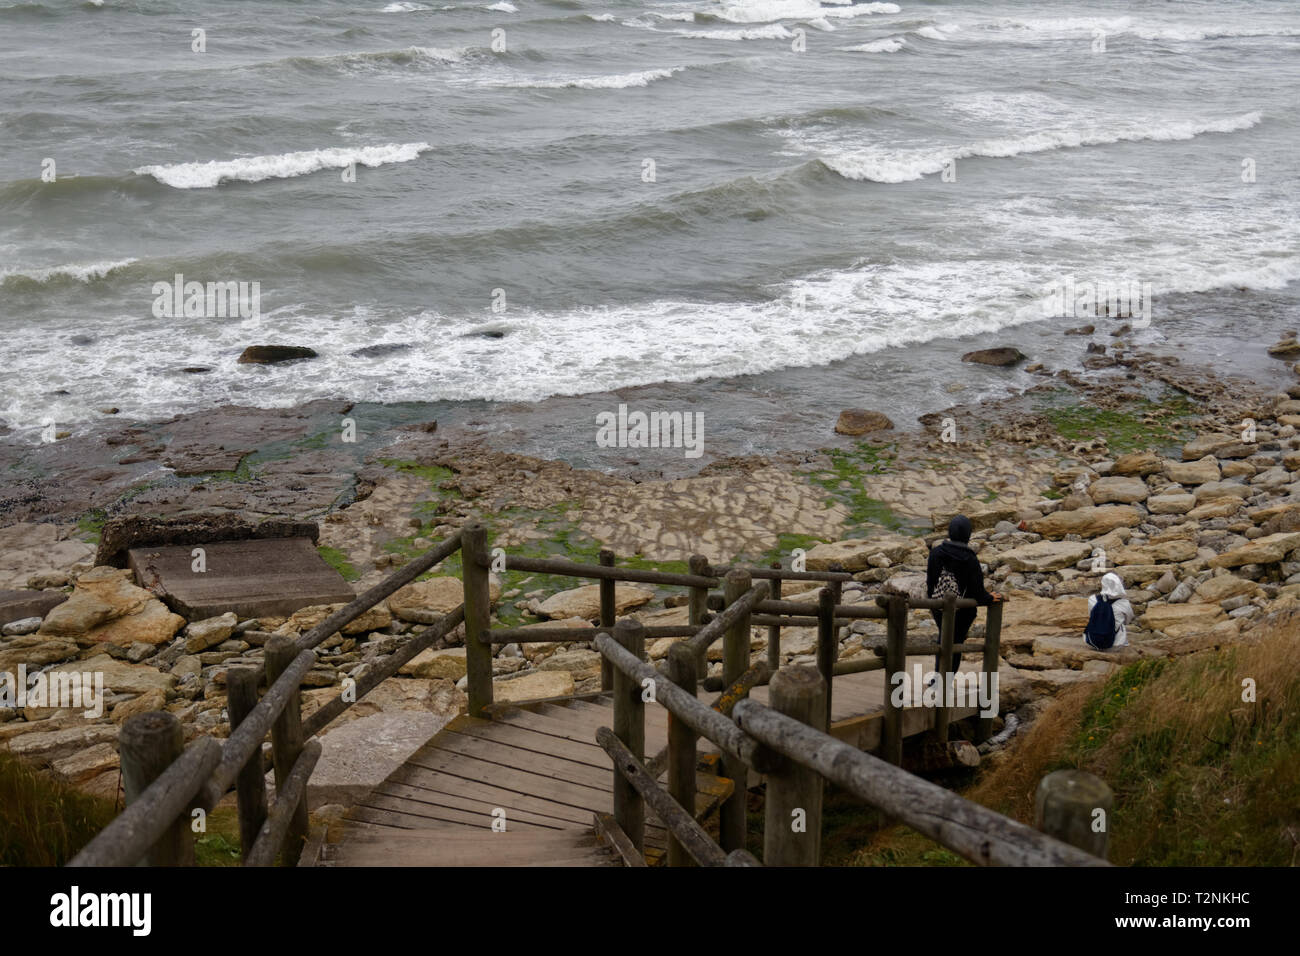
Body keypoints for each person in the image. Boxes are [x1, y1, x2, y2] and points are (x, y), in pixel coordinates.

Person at [926, 514, 1001, 676]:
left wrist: (932, 603)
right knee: (956, 644)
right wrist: (989, 598)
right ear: (968, 534)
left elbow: (930, 582)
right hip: (962, 612)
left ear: (950, 532)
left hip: (938, 606)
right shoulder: (970, 558)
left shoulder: (936, 553)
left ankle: (938, 679)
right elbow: (977, 591)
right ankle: (946, 680)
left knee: (943, 640)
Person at [1084, 572, 1133, 650]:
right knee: (1121, 623)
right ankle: (1122, 641)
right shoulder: (1124, 603)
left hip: (1092, 641)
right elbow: (1128, 620)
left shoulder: (1092, 599)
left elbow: (1091, 615)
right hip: (1115, 645)